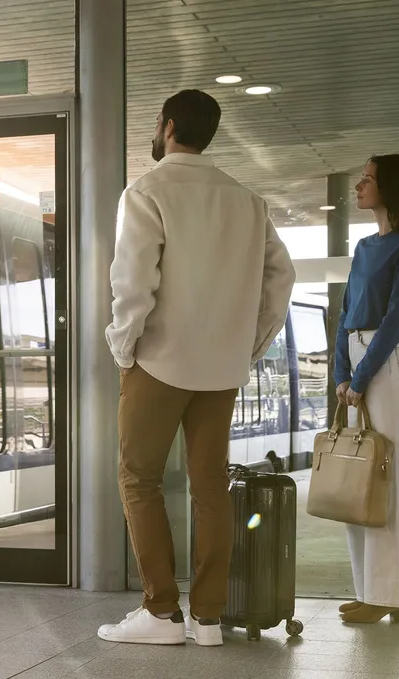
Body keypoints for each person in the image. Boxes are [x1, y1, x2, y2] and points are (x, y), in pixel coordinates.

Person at [97, 89, 296, 646]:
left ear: (166, 126)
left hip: (159, 360)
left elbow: (133, 280)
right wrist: (249, 345)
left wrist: (123, 347)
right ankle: (208, 617)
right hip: (221, 368)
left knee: (140, 479)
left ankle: (161, 612)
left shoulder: (147, 191)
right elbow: (282, 277)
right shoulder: (248, 200)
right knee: (211, 486)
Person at [333, 154, 399, 624]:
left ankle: (390, 595)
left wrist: (359, 378)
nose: (359, 185)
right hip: (357, 361)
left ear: (391, 188)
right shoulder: (363, 247)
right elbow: (344, 314)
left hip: (385, 365)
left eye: (368, 179)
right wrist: (341, 374)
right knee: (356, 483)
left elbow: (397, 318)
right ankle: (371, 592)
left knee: (385, 482)